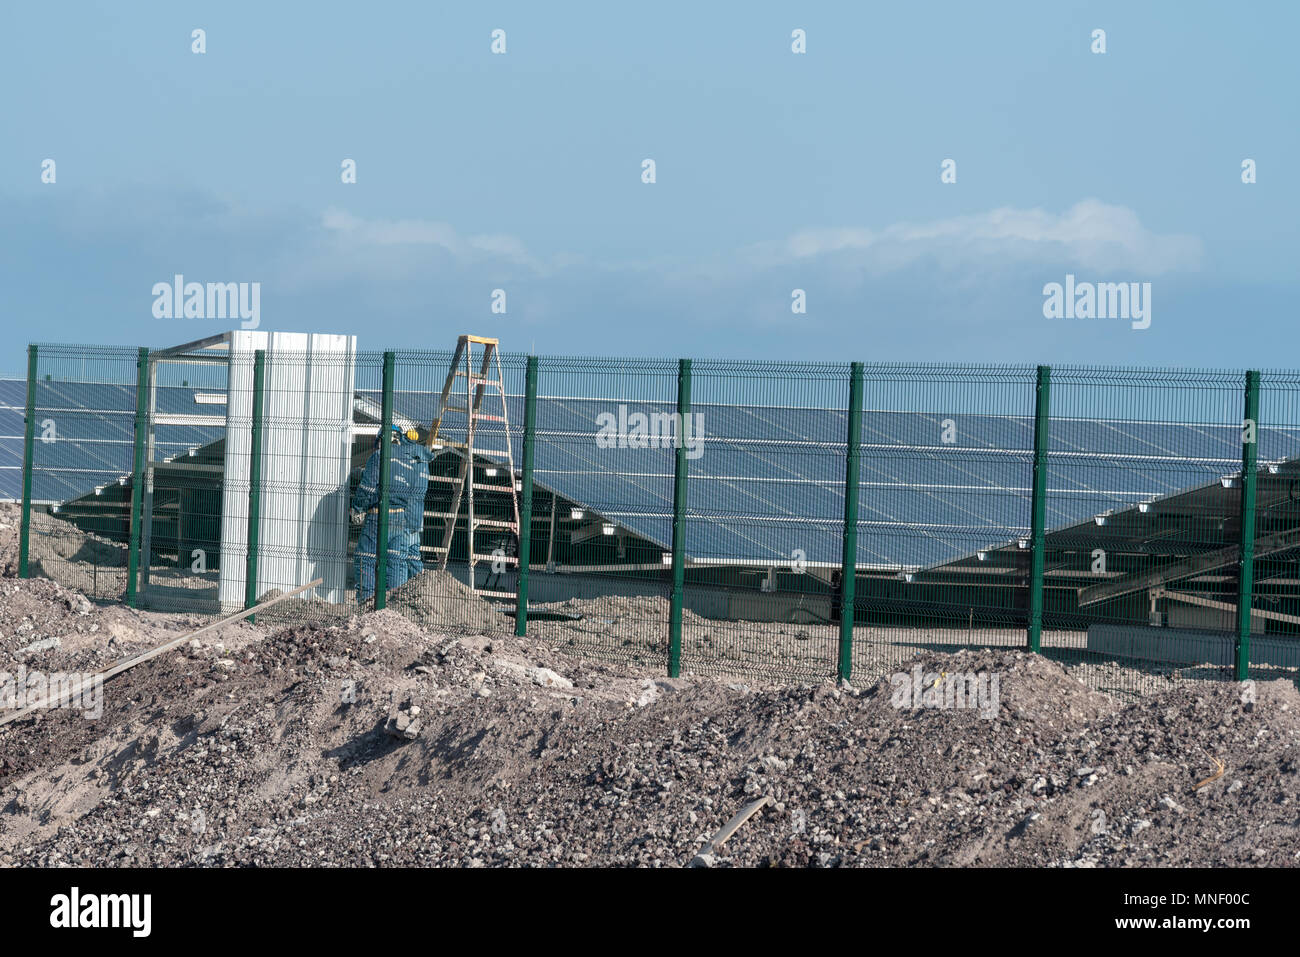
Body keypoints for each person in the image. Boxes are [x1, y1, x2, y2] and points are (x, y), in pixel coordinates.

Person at [351, 425, 422, 604]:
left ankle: (365, 602)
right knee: (395, 561)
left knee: (365, 558)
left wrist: (358, 508)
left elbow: (368, 486)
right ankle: (393, 606)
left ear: (382, 440)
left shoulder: (379, 456)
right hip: (400, 518)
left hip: (378, 515)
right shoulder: (410, 463)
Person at [398, 429, 432, 581]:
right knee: (413, 556)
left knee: (399, 556)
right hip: (417, 515)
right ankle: (418, 587)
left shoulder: (406, 458)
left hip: (406, 513)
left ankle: (400, 591)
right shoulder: (423, 460)